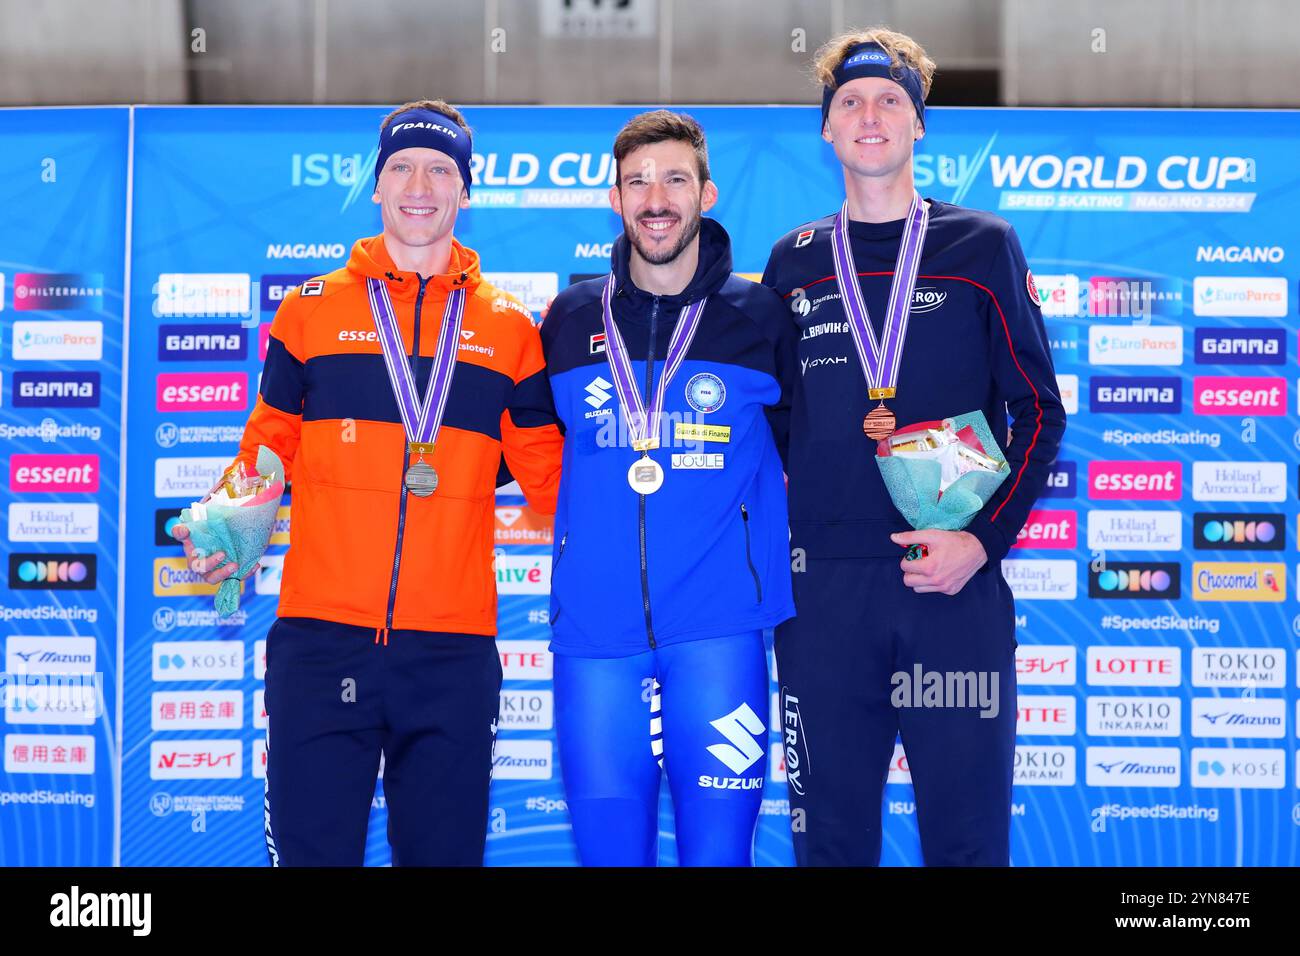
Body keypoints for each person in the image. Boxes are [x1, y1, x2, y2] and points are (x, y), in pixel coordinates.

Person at [173, 99, 563, 866]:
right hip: (321, 646)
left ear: (465, 191)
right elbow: (266, 451)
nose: (421, 184)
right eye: (402, 168)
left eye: (441, 170)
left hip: (451, 654)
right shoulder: (310, 311)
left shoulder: (510, 330)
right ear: (376, 187)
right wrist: (223, 526)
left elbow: (555, 485)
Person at [761, 29, 1066, 866]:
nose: (869, 116)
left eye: (890, 99)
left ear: (919, 123)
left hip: (952, 591)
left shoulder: (981, 247)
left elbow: (1038, 410)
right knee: (831, 842)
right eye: (850, 102)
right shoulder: (792, 263)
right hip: (822, 600)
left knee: (967, 843)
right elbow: (775, 422)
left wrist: (980, 542)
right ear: (826, 127)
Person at [539, 110, 796, 866]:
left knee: (719, 858)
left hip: (719, 634)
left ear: (707, 193)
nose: (657, 197)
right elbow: (526, 451)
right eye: (638, 181)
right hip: (593, 641)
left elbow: (807, 457)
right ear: (614, 199)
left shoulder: (759, 317)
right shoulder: (569, 317)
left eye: (675, 179)